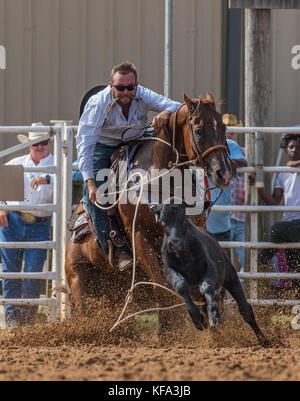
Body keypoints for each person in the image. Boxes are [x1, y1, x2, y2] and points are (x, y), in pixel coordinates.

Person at [76, 61, 181, 271]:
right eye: (120, 87)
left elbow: (178, 107)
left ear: (136, 85)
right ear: (111, 85)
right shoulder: (98, 103)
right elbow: (85, 143)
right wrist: (90, 183)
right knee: (95, 197)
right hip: (103, 146)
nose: (125, 92)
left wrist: (166, 113)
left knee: (169, 163)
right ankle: (114, 246)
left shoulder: (143, 94)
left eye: (130, 87)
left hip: (137, 140)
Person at [0, 123, 54, 329]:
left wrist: (46, 179)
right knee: (11, 272)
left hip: (38, 225)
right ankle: (14, 320)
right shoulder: (16, 163)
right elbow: (1, 191)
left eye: (43, 142)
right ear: (29, 145)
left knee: (33, 274)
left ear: (48, 144)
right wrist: (1, 208)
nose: (40, 147)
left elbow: (63, 180)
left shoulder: (57, 163)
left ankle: (28, 320)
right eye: (35, 143)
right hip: (12, 221)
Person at [249, 133, 300, 285]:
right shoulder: (283, 173)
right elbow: (274, 202)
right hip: (290, 225)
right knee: (295, 269)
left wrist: (292, 165)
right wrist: (258, 188)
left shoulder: (287, 168)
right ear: (286, 150)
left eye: (298, 148)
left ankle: (262, 259)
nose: (294, 150)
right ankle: (294, 303)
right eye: (291, 147)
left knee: (276, 230)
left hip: (295, 224)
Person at [205, 126, 247, 260]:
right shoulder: (193, 145)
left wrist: (220, 162)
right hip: (197, 221)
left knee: (223, 264)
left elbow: (242, 162)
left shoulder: (228, 144)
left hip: (221, 222)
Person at [223, 113, 246, 271]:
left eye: (233, 131)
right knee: (223, 255)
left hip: (240, 210)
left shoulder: (243, 152)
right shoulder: (218, 150)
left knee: (243, 256)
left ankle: (243, 285)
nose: (229, 134)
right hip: (224, 212)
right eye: (227, 131)